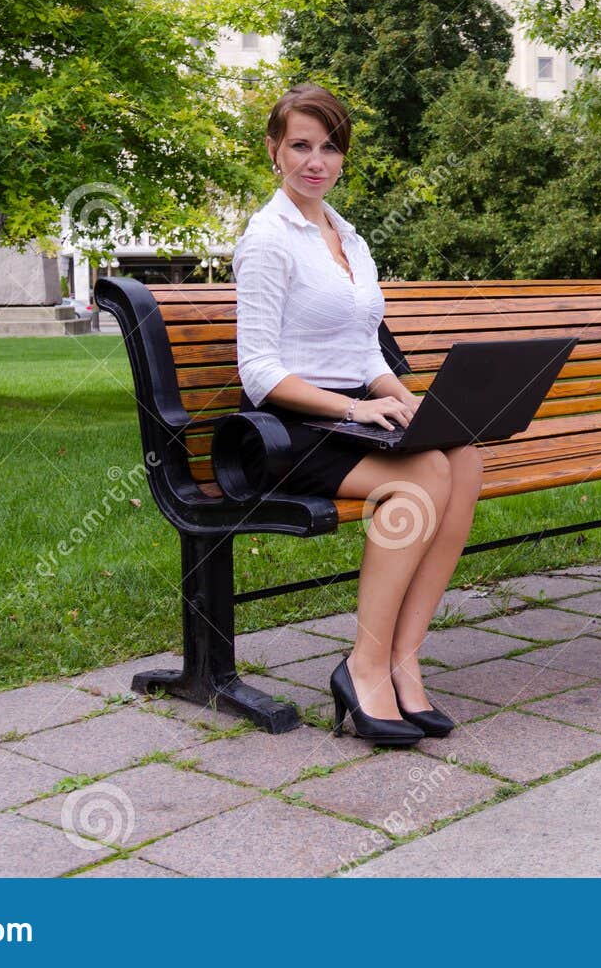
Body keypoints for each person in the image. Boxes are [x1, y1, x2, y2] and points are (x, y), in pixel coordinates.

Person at [233, 83, 485, 748]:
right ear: (274, 150)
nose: (316, 161)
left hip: (352, 413)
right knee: (423, 474)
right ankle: (364, 665)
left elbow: (360, 348)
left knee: (464, 455)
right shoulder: (267, 239)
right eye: (301, 145)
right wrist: (356, 405)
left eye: (330, 146)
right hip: (283, 427)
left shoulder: (348, 237)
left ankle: (405, 658)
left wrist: (398, 394)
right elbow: (258, 371)